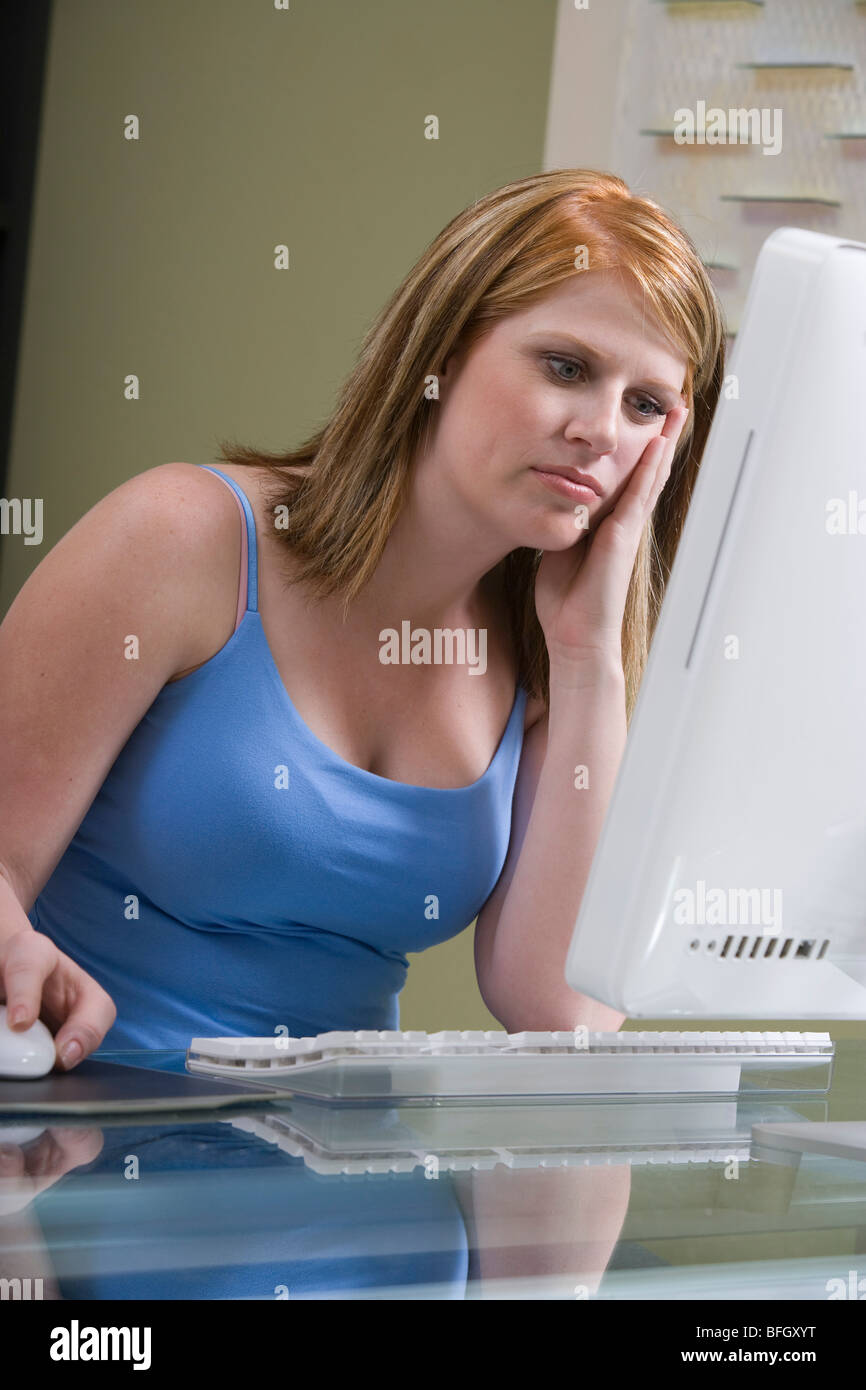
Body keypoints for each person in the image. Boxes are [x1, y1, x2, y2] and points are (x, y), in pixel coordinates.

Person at [0, 169, 725, 1070]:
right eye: (567, 367)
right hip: (85, 1150)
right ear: (444, 354)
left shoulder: (548, 662)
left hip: (353, 1177)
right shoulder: (184, 540)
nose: (601, 430)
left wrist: (588, 664)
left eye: (646, 405)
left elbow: (562, 1011)